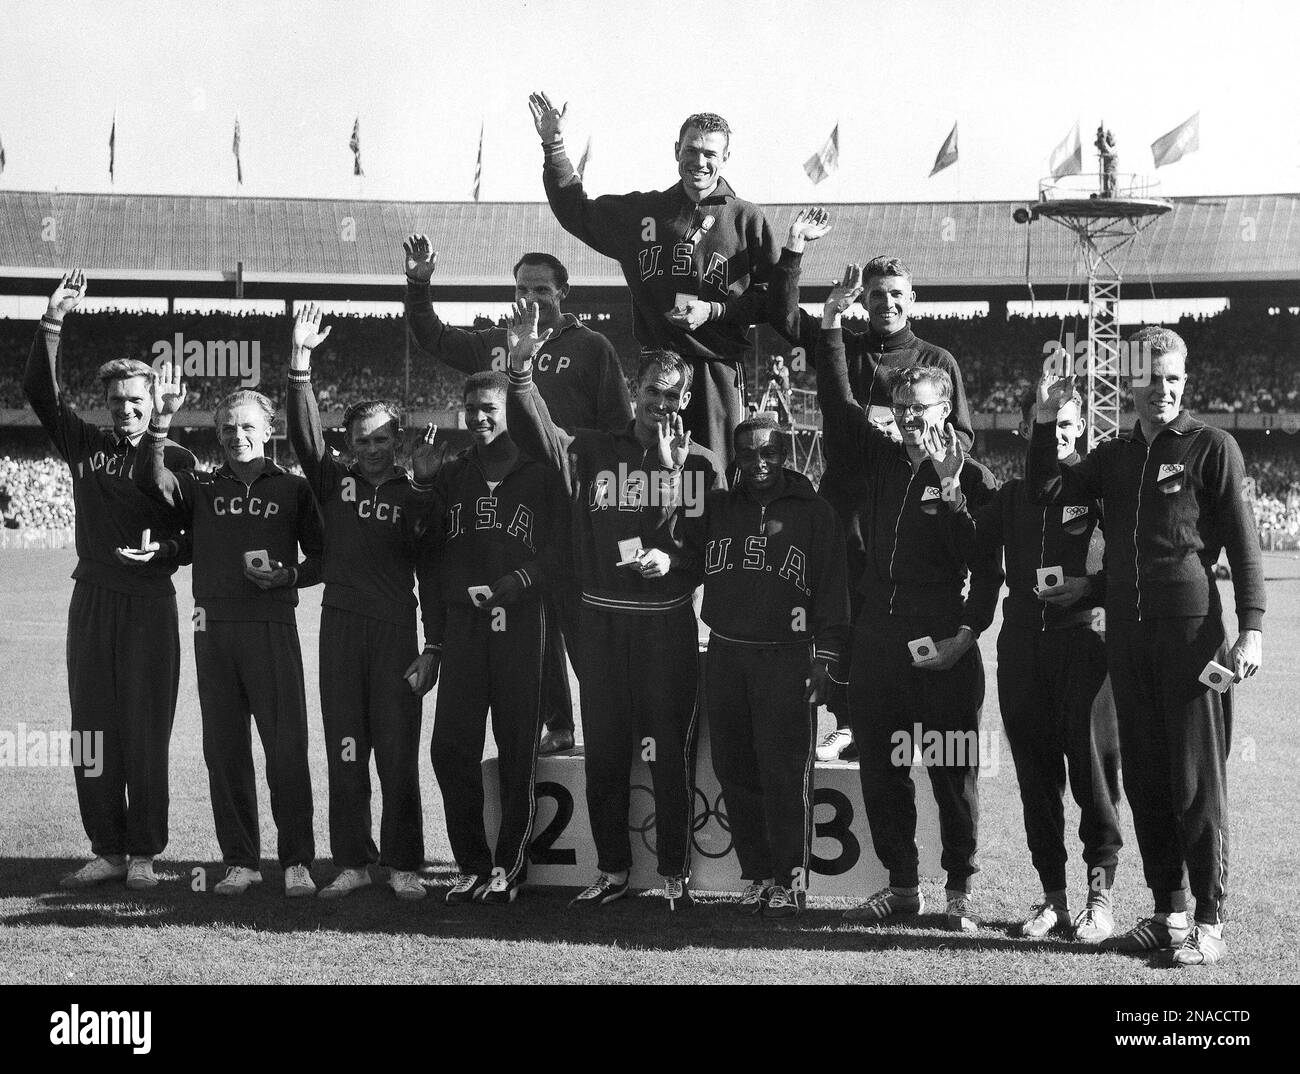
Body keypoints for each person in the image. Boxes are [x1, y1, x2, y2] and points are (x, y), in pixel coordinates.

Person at [1029, 327, 1265, 966]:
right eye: (1151, 378)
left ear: (1185, 380)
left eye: (1173, 378)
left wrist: (1252, 627)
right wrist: (1048, 418)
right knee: (1149, 781)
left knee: (1196, 783)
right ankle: (1170, 910)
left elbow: (1243, 543)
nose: (1163, 389)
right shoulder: (1113, 455)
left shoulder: (1212, 446)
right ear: (1129, 383)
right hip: (1127, 641)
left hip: (1193, 640)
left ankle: (1210, 920)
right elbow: (1048, 490)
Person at [506, 307, 725, 912]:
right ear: (635, 390)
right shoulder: (595, 451)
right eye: (655, 393)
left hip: (666, 628)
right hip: (601, 625)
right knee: (604, 753)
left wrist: (675, 561)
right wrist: (520, 369)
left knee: (666, 755)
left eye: (675, 397)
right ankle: (613, 869)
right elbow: (539, 433)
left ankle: (674, 872)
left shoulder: (701, 464)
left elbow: (713, 551)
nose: (664, 405)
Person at [817, 264, 1002, 931]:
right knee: (883, 771)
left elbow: (985, 564)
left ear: (945, 411)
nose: (910, 425)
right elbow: (838, 405)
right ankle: (902, 885)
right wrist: (832, 326)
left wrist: (968, 632)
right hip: (879, 638)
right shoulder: (876, 456)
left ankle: (958, 890)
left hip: (943, 639)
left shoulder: (972, 475)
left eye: (922, 414)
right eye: (900, 414)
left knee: (952, 774)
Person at [403, 235, 631, 756]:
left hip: (570, 496)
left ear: (564, 293)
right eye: (523, 287)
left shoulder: (592, 348)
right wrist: (419, 284)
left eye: (543, 289)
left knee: (579, 612)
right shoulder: (494, 342)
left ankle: (608, 721)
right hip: (512, 496)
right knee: (531, 609)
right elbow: (432, 336)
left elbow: (616, 427)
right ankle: (557, 720)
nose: (531, 297)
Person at [769, 210, 976, 763]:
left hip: (910, 502)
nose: (888, 303)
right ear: (866, 300)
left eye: (897, 294)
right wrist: (794, 252)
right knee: (841, 609)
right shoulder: (847, 345)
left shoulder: (937, 360)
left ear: (912, 297)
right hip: (845, 501)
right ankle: (844, 718)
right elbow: (785, 317)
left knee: (903, 604)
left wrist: (916, 446)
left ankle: (908, 714)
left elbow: (963, 434)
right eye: (878, 294)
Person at [23, 270, 195, 891]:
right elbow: (39, 393)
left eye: (135, 401)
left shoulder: (177, 456)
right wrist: (52, 322)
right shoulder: (85, 445)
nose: (124, 409)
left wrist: (168, 550)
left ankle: (145, 850)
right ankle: (108, 849)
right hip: (92, 598)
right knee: (92, 726)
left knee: (146, 726)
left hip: (150, 603)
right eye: (117, 401)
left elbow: (193, 534)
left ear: (153, 402)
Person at [136, 373, 324, 898]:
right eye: (226, 428)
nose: (236, 434)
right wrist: (162, 422)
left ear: (269, 430)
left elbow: (325, 557)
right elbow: (154, 485)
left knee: (285, 748)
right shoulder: (201, 488)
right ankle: (240, 860)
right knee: (224, 751)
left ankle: (297, 862)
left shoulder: (295, 489)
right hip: (212, 632)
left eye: (246, 426)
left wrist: (289, 576)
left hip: (271, 630)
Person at [286, 304, 443, 901]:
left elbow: (432, 568)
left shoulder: (415, 491)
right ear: (347, 444)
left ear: (397, 440)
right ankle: (352, 861)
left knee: (398, 755)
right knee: (346, 749)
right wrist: (300, 364)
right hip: (341, 632)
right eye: (362, 440)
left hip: (396, 633)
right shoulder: (334, 482)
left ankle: (404, 862)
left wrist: (433, 648)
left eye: (383, 439)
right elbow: (302, 437)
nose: (373, 449)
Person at [530, 90, 778, 460]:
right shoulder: (645, 212)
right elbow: (576, 211)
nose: (699, 161)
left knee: (713, 477)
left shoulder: (747, 220)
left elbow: (774, 303)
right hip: (657, 370)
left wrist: (713, 311)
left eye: (710, 153)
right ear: (676, 149)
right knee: (650, 473)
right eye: (691, 150)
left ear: (725, 158)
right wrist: (554, 147)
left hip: (715, 370)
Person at [976, 389, 1122, 942]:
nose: (1057, 433)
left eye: (1066, 424)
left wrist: (1091, 588)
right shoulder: (1014, 497)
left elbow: (1130, 566)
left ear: (1082, 426)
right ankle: (1053, 899)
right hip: (1021, 649)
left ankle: (1099, 897)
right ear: (1027, 430)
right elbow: (965, 545)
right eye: (1046, 425)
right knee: (1036, 780)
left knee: (1092, 777)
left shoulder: (1101, 490)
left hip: (1084, 645)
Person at [425, 358, 567, 906]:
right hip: (464, 628)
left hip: (521, 628)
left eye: (489, 409)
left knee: (516, 752)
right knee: (450, 749)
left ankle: (509, 864)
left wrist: (521, 579)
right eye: (472, 410)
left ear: (509, 412)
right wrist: (420, 481)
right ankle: (471, 862)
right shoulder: (454, 473)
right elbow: (428, 552)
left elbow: (561, 553)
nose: (479, 418)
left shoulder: (539, 474)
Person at [700, 414, 849, 917]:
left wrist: (825, 659)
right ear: (735, 458)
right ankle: (756, 873)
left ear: (784, 455)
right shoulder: (718, 508)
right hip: (724, 653)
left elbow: (833, 594)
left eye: (768, 453)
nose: (759, 463)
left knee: (784, 774)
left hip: (787, 659)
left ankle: (790, 878)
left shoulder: (815, 512)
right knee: (733, 768)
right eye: (748, 454)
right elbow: (680, 552)